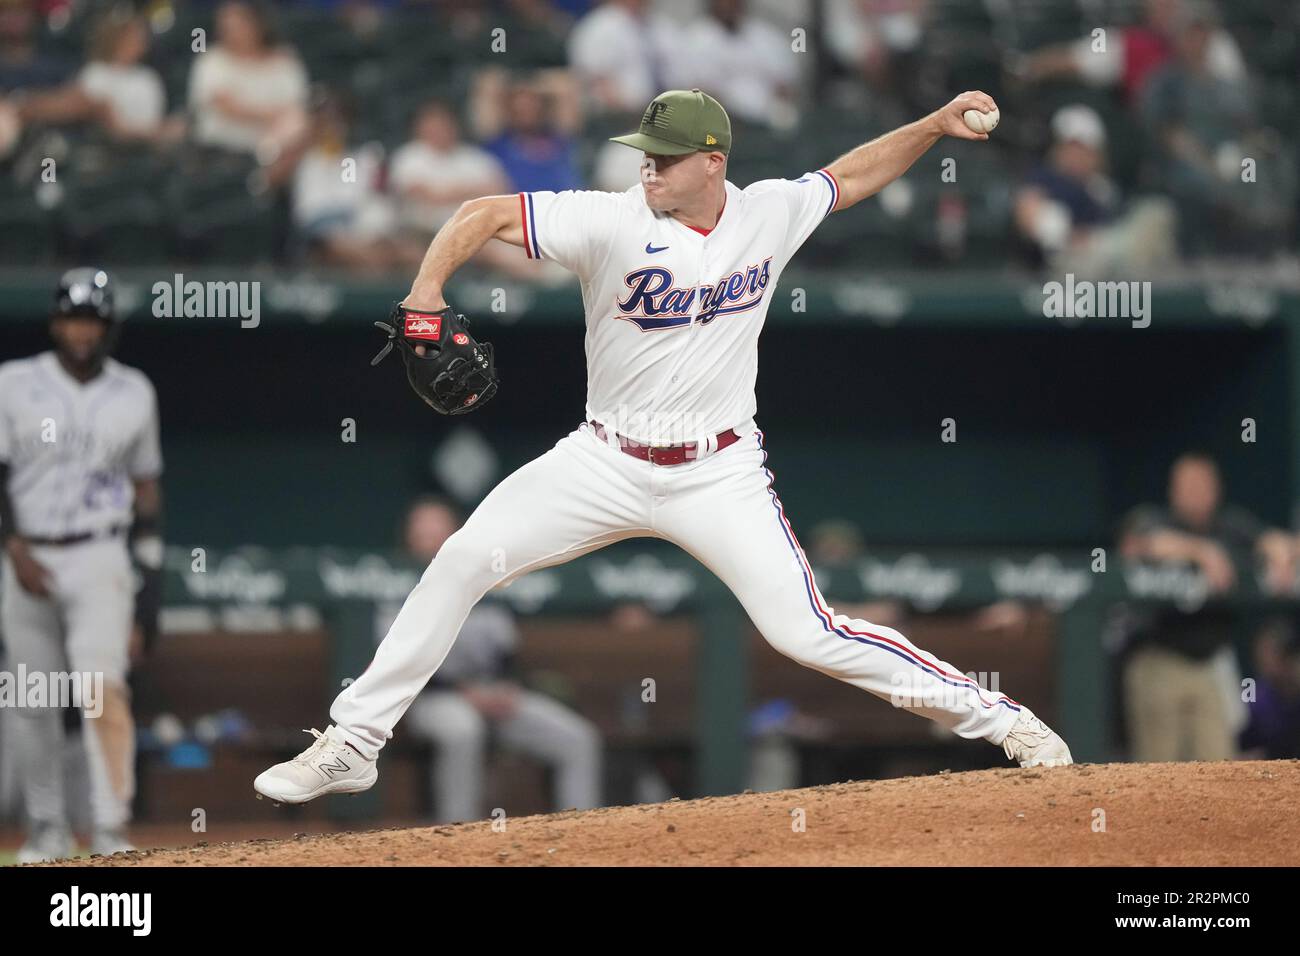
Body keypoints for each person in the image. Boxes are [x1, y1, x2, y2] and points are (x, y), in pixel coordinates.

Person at [255, 87, 1073, 807]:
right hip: (603, 459)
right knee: (465, 558)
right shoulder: (611, 220)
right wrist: (424, 293)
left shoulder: (765, 214)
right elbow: (483, 214)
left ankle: (1009, 724)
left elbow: (851, 176)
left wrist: (931, 123)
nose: (647, 170)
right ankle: (354, 742)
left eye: (664, 159)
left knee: (807, 631)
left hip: (718, 470)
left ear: (711, 163)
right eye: (643, 155)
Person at [0, 268, 164, 861]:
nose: (81, 330)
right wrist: (15, 546)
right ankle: (46, 827)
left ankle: (110, 828)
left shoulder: (134, 391)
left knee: (102, 689)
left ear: (108, 327)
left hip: (100, 552)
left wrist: (148, 588)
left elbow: (147, 491)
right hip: (27, 555)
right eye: (73, 317)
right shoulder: (14, 384)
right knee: (30, 696)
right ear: (54, 321)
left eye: (92, 319)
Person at [385, 497, 602, 823]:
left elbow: (505, 654)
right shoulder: (394, 585)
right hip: (427, 699)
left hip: (490, 697)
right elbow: (402, 662)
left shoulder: (482, 578)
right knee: (463, 729)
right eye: (424, 534)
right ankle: (456, 835)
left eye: (439, 533)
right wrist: (465, 693)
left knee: (578, 738)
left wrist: (506, 688)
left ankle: (580, 832)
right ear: (410, 539)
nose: (432, 542)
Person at [1118, 452, 1295, 762]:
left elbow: (1272, 539)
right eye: (1188, 485)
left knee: (1219, 764)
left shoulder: (1229, 524)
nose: (1196, 492)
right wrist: (1203, 552)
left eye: (1203, 484)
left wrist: (1279, 553)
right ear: (1173, 490)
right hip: (1159, 659)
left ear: (1216, 489)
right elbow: (1145, 543)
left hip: (1207, 664)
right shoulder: (1156, 519)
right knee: (1159, 767)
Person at [1014, 104, 1177, 278]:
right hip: (1068, 266)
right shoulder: (1046, 179)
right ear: (1056, 150)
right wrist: (1077, 238)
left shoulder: (1101, 188)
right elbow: (1030, 214)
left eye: (1083, 149)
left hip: (1110, 260)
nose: (1075, 156)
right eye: (1069, 148)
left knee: (1156, 213)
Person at [186, 0, 308, 157]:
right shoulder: (211, 60)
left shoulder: (285, 60)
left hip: (280, 149)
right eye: (226, 27)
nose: (232, 32)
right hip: (221, 150)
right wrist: (271, 115)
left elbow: (298, 106)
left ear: (259, 24)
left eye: (239, 25)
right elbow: (225, 105)